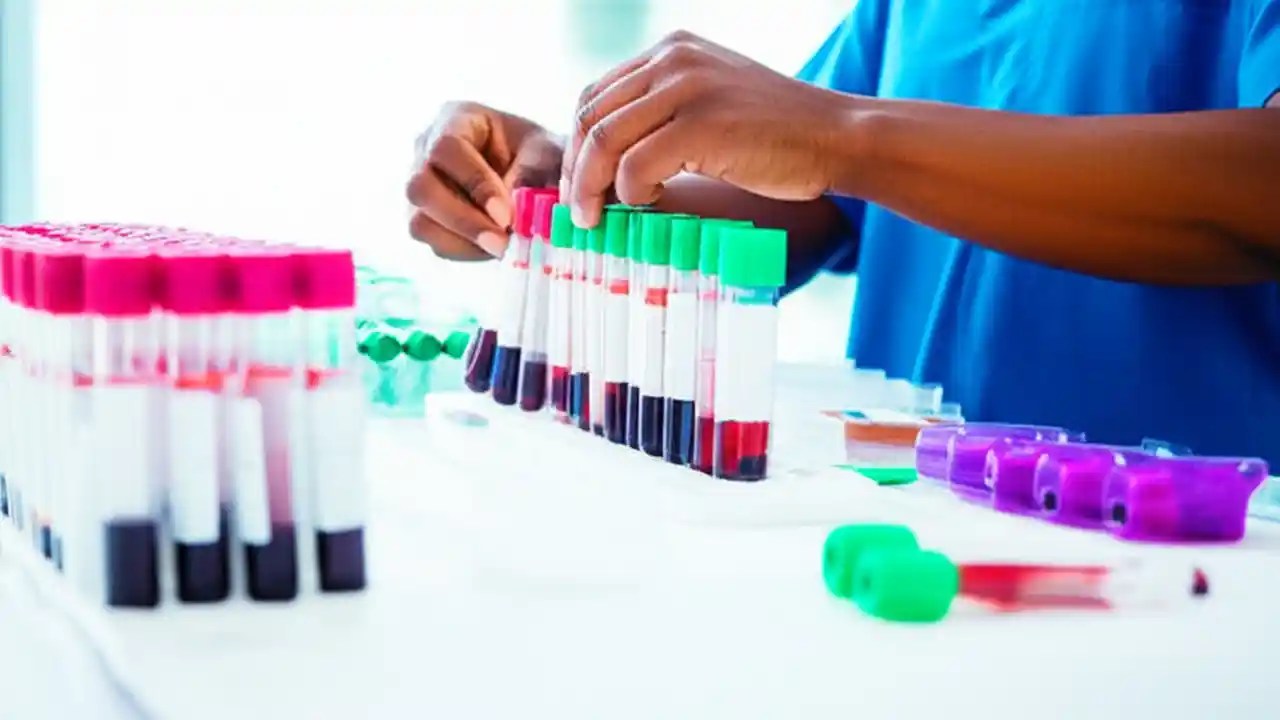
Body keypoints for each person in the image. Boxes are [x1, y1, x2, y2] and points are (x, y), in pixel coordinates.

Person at [405, 1, 1280, 464]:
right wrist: (571, 188)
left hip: (1202, 558)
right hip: (926, 529)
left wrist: (844, 135)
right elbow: (815, 203)